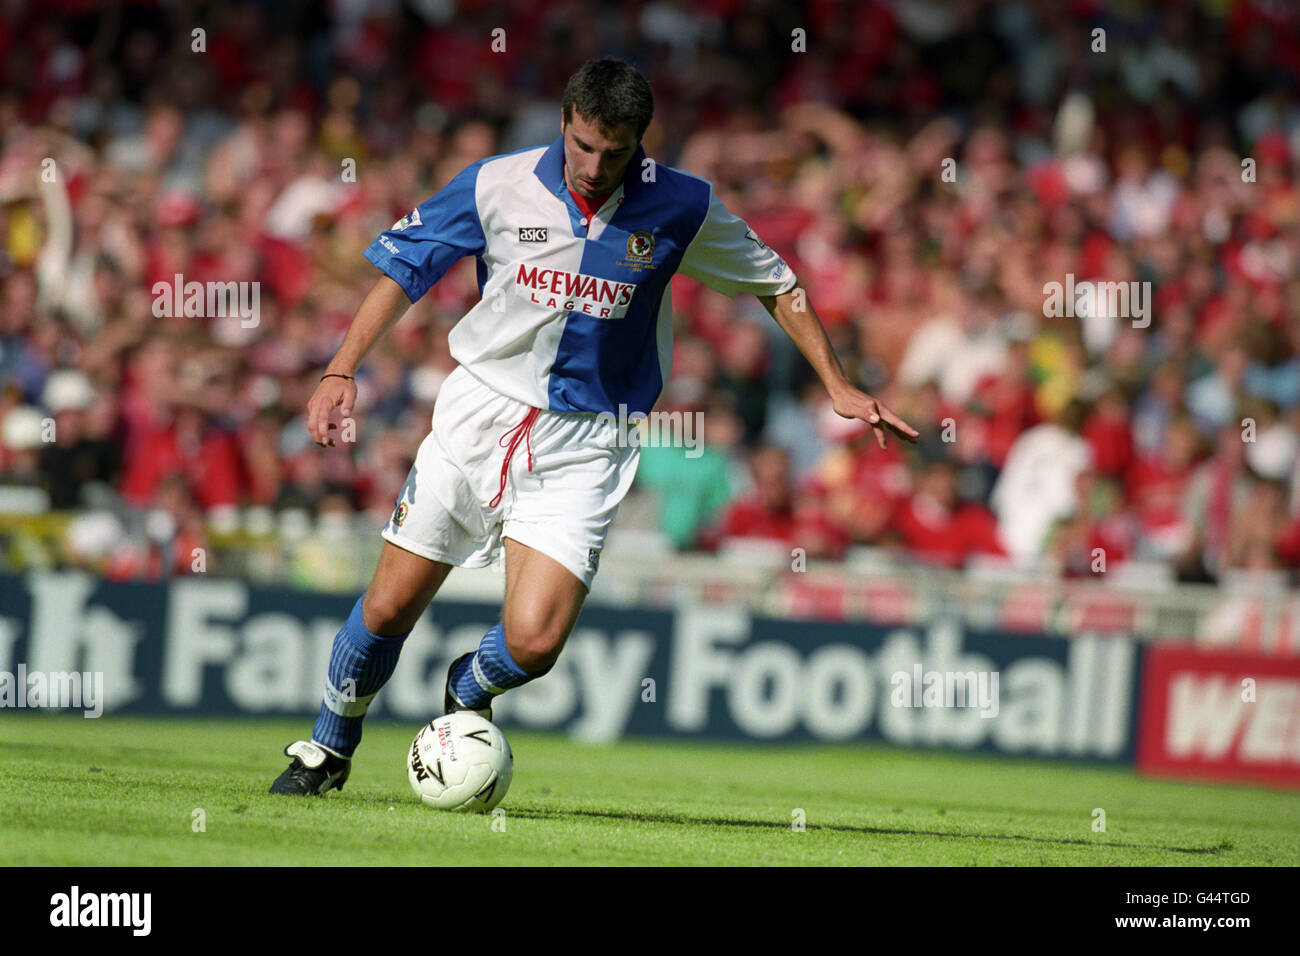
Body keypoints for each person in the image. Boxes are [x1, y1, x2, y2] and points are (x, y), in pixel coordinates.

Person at [270, 57, 917, 796]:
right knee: (387, 605)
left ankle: (466, 686)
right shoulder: (496, 183)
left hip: (586, 441)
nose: (594, 165)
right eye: (583, 144)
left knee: (535, 643)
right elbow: (404, 270)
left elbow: (778, 281)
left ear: (642, 140)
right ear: (564, 122)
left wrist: (836, 384)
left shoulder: (681, 206)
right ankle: (328, 746)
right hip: (481, 411)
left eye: (615, 152)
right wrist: (340, 369)